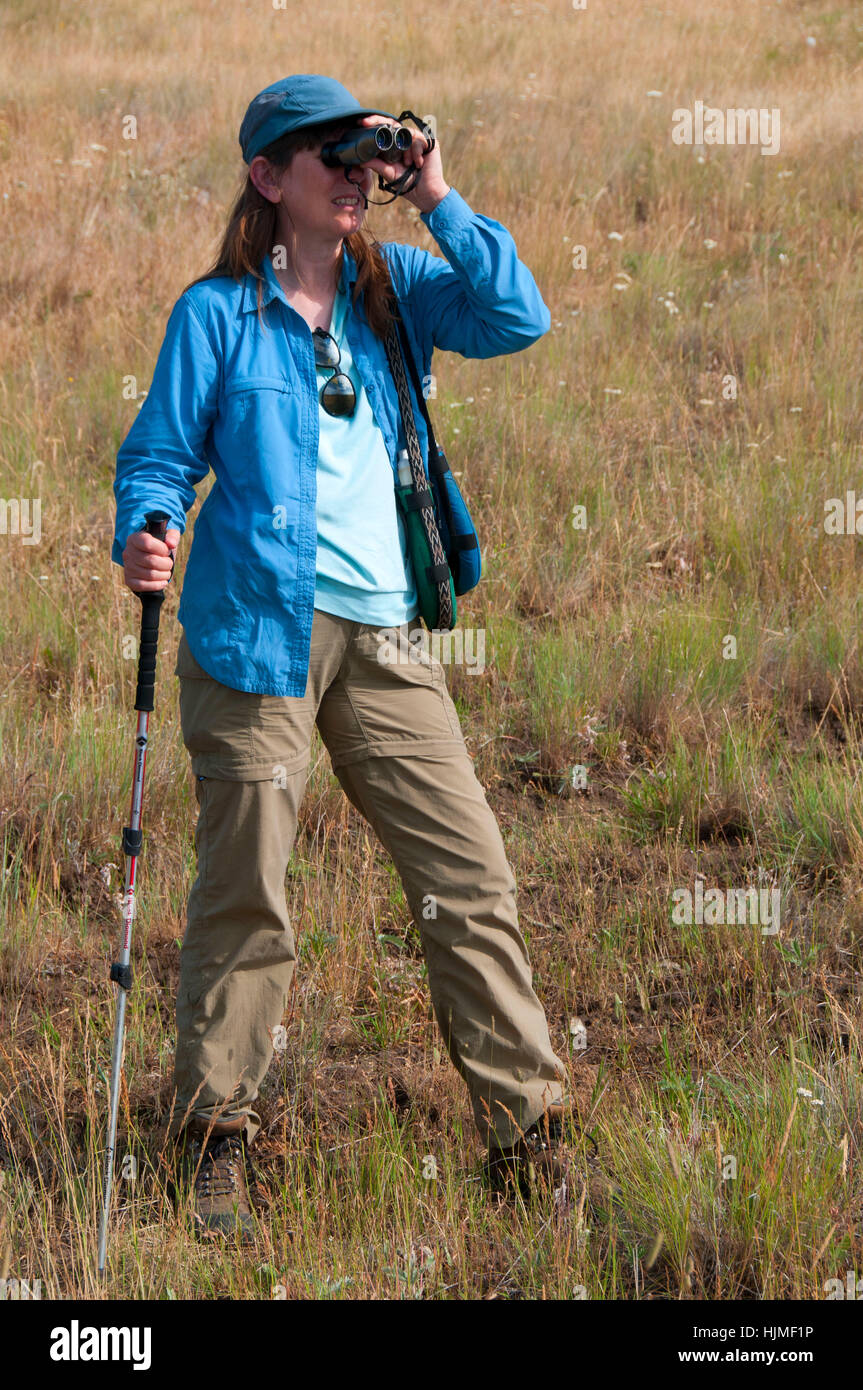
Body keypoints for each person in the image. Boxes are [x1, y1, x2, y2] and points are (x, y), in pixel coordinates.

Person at [113, 74, 572, 1240]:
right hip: (252, 637)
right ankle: (213, 1137)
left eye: (365, 153)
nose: (355, 172)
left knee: (468, 877)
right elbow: (158, 456)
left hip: (385, 637)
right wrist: (147, 530)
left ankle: (529, 1136)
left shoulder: (398, 288)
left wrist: (437, 194)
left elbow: (517, 315)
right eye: (332, 155)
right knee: (246, 891)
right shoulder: (215, 313)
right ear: (268, 178)